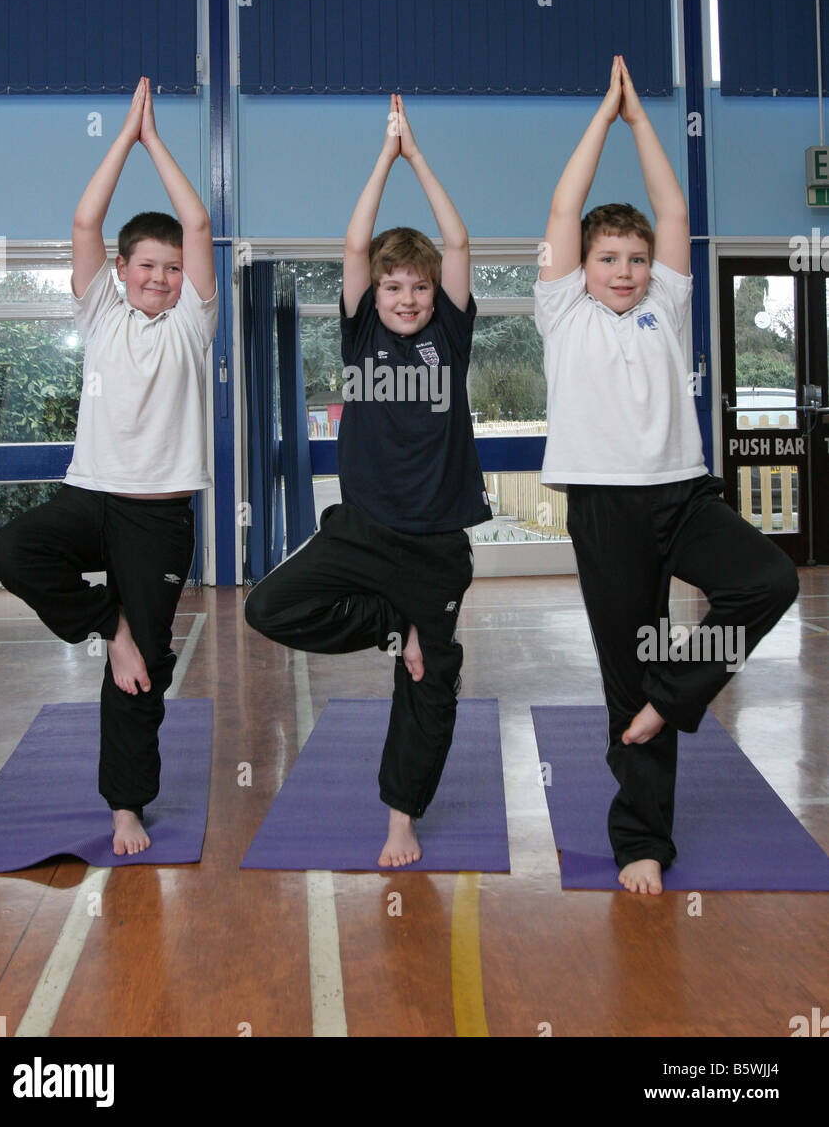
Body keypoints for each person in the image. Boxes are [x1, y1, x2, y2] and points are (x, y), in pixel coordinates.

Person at [535, 55, 798, 894]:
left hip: (682, 493)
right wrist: (600, 119)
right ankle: (642, 841)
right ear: (583, 265)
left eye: (635, 259)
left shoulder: (668, 304)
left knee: (767, 580)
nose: (623, 270)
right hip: (604, 510)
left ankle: (675, 696)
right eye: (608, 257)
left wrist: (645, 121)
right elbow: (562, 206)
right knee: (626, 674)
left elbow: (677, 207)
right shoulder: (563, 308)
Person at [244, 94, 491, 867]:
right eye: (395, 288)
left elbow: (456, 238)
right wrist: (383, 159)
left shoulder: (450, 336)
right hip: (362, 531)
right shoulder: (360, 336)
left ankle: (400, 820)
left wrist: (419, 156)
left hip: (437, 544)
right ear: (374, 295)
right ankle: (395, 625)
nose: (409, 299)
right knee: (269, 606)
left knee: (431, 687)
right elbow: (355, 244)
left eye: (419, 287)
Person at [0, 77, 218, 857]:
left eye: (172, 268)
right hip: (91, 498)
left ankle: (127, 807)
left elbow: (199, 217)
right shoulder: (100, 311)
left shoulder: (193, 323)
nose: (160, 278)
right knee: (11, 549)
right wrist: (124, 138)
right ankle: (105, 626)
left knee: (142, 674)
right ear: (120, 270)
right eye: (146, 266)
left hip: (159, 515)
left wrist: (160, 144)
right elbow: (85, 218)